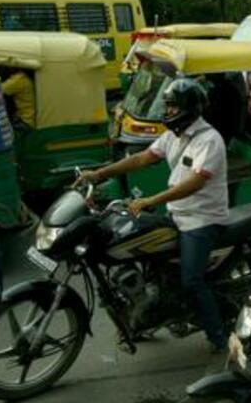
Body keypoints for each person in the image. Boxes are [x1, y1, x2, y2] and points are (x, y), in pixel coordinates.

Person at [74, 78, 230, 351]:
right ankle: (146, 316)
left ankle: (220, 338)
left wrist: (150, 200)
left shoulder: (209, 140)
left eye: (172, 107)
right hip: (176, 213)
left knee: (192, 280)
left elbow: (195, 183)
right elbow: (141, 159)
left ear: (188, 108)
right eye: (167, 106)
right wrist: (98, 174)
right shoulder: (173, 135)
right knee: (143, 254)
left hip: (202, 219)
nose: (166, 111)